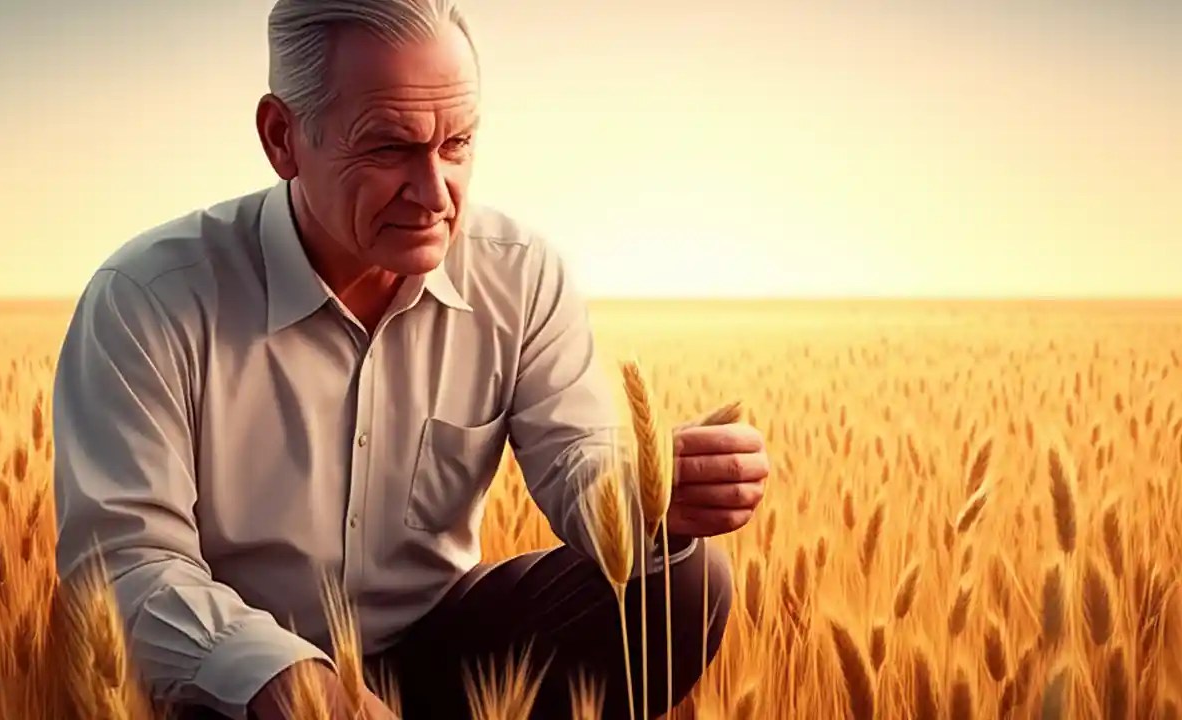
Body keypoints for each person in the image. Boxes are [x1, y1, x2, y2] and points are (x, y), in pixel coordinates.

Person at [50, 1, 771, 719]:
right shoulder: (149, 298)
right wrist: (298, 685)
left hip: (447, 653)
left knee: (684, 581)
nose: (435, 196)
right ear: (282, 138)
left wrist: (648, 500)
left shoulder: (519, 275)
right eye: (390, 148)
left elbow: (575, 458)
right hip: (242, 687)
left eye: (457, 144)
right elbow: (127, 563)